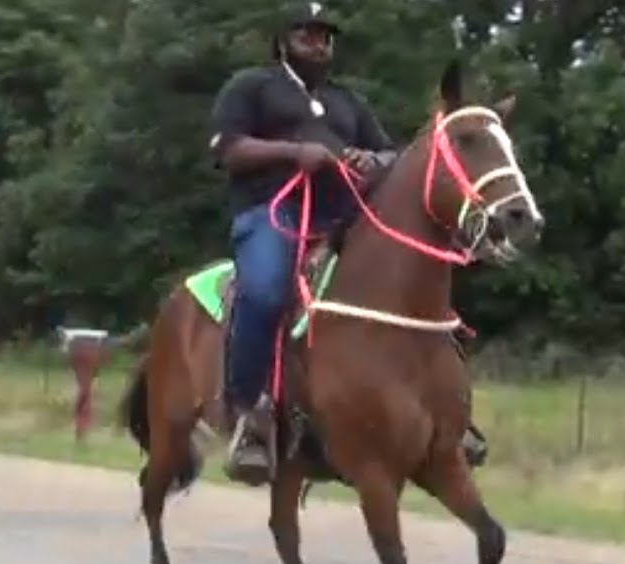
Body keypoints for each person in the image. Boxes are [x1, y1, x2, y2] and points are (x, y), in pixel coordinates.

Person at [207, 2, 487, 485]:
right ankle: (250, 412)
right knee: (268, 291)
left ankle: (447, 413)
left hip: (340, 219)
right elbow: (228, 149)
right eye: (306, 36)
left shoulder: (347, 102)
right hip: (272, 213)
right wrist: (297, 152)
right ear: (282, 42)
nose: (317, 44)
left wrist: (375, 160)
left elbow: (391, 153)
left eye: (324, 37)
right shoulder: (251, 86)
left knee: (412, 289)